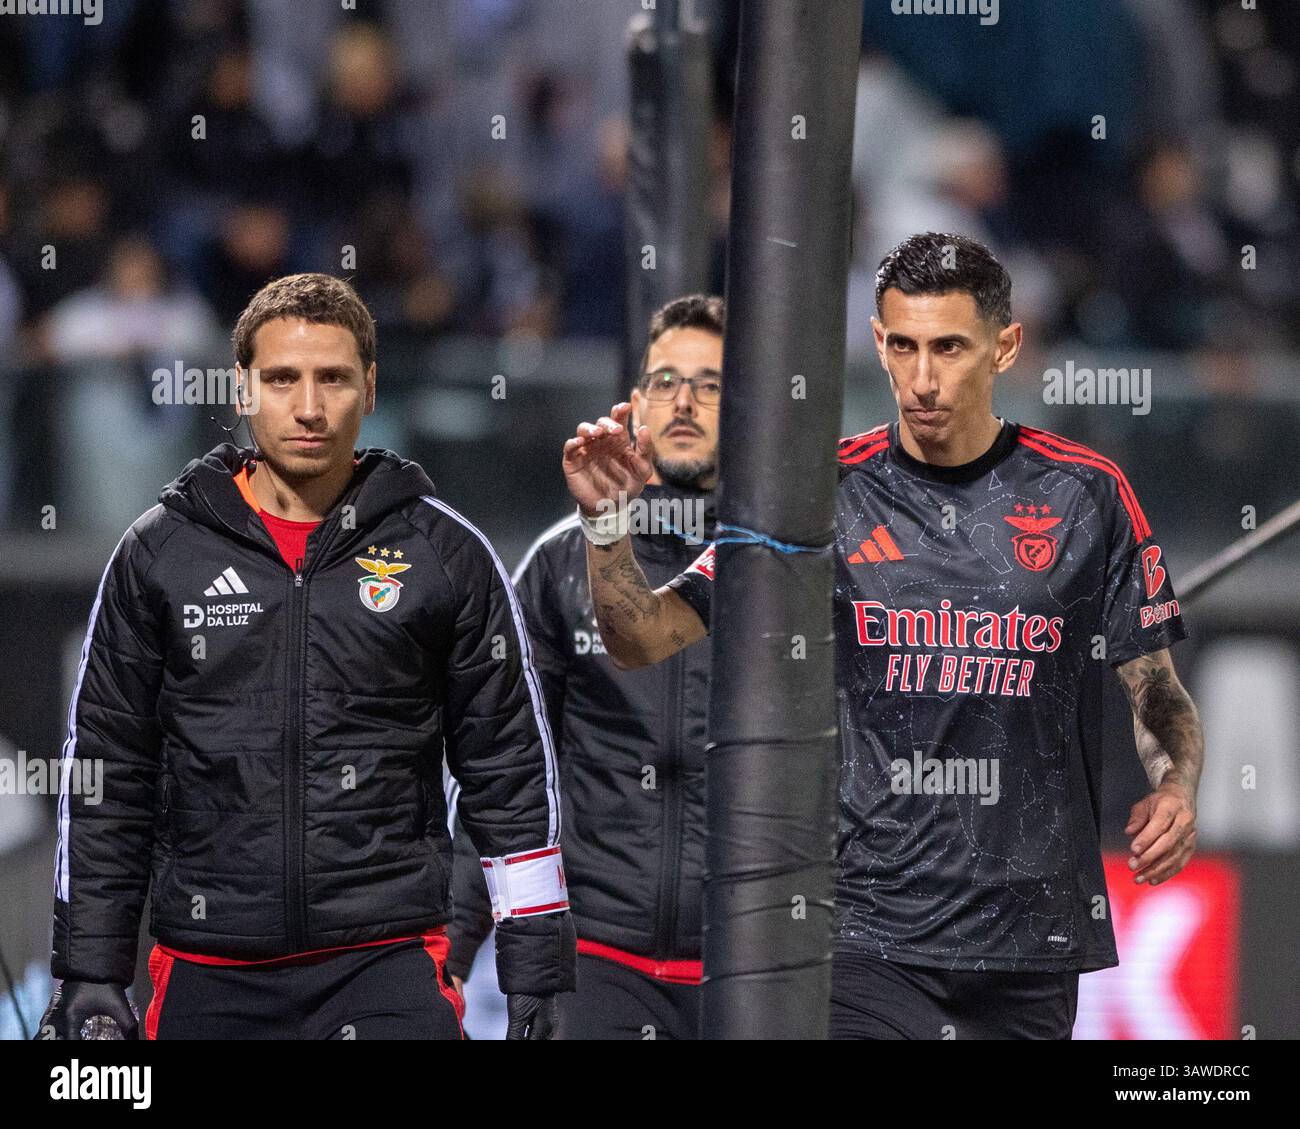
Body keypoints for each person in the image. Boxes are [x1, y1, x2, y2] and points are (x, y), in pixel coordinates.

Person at [561, 233, 1204, 1039]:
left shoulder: (1088, 495)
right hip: (866, 936)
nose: (922, 379)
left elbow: (1155, 688)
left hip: (1029, 943)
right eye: (903, 346)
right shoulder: (820, 492)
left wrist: (1175, 785)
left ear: (1006, 346)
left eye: (949, 348)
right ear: (877, 340)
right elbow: (641, 636)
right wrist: (606, 524)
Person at [39, 273, 574, 1041]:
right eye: (283, 378)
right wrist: (91, 969)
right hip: (208, 962)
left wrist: (537, 968)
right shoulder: (159, 553)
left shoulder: (444, 553)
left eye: (334, 378)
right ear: (242, 387)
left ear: (372, 386)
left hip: (386, 961)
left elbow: (510, 772)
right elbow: (108, 769)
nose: (310, 407)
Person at [448, 294, 722, 1039]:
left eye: (710, 385)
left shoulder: (784, 566)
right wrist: (452, 948)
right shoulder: (558, 566)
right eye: (665, 382)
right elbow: (502, 769)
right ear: (636, 403)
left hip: (754, 965)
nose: (685, 402)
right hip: (594, 959)